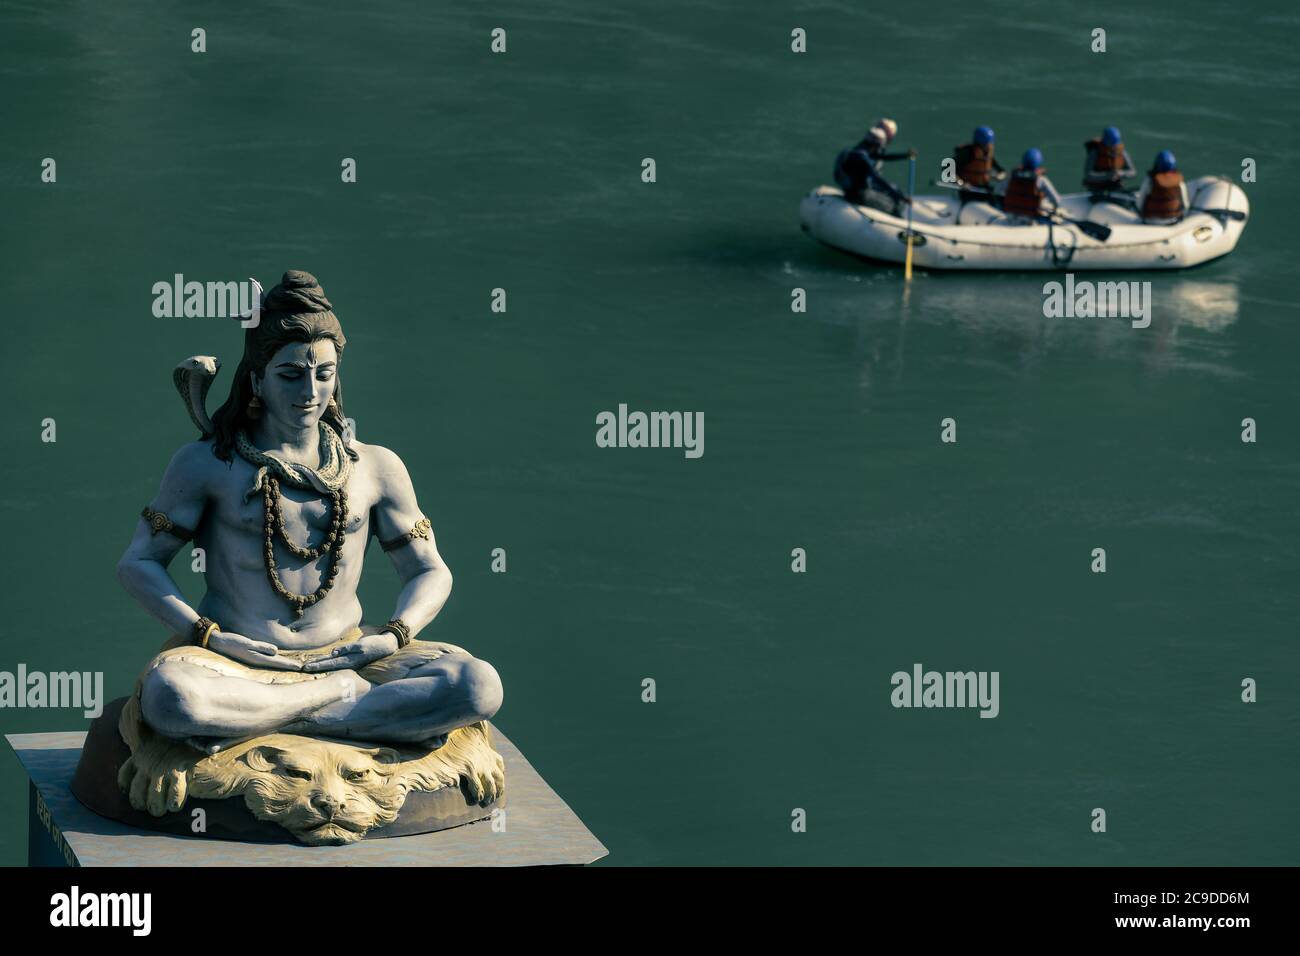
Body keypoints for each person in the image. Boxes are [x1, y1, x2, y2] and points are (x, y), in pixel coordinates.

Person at [117, 271, 505, 758]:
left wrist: (391, 638)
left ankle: (269, 721)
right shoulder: (207, 464)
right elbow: (138, 563)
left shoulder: (375, 467)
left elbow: (429, 569)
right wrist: (208, 636)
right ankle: (336, 708)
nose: (309, 392)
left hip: (349, 655)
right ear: (256, 378)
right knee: (172, 697)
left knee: (478, 686)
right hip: (238, 658)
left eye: (323, 373)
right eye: (290, 374)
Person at [834, 117, 914, 215]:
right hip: (860, 194)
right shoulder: (862, 158)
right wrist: (900, 197)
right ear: (876, 145)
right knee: (895, 206)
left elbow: (884, 157)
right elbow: (877, 178)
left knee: (894, 195)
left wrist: (905, 156)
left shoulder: (860, 151)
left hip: (853, 191)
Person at [1000, 148, 1062, 221]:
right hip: (1030, 219)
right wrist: (1054, 209)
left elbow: (998, 190)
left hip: (1011, 215)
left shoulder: (1012, 176)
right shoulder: (1041, 179)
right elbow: (1057, 201)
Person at [1135, 150, 1189, 223]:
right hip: (1172, 220)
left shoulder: (1150, 180)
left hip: (1150, 221)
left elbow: (1139, 203)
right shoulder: (1179, 181)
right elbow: (1185, 205)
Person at [1082, 126, 1136, 199]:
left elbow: (1132, 172)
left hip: (1115, 186)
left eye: (1115, 144)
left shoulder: (1122, 152)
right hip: (1097, 188)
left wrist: (1120, 173)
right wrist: (1107, 176)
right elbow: (1088, 175)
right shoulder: (1095, 153)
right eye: (1111, 144)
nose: (1113, 147)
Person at [953, 125, 1006, 197]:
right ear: (980, 143)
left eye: (990, 143)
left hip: (983, 190)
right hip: (967, 190)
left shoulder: (987, 154)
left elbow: (1001, 171)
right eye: (987, 143)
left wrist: (999, 176)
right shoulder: (967, 153)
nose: (990, 146)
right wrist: (961, 183)